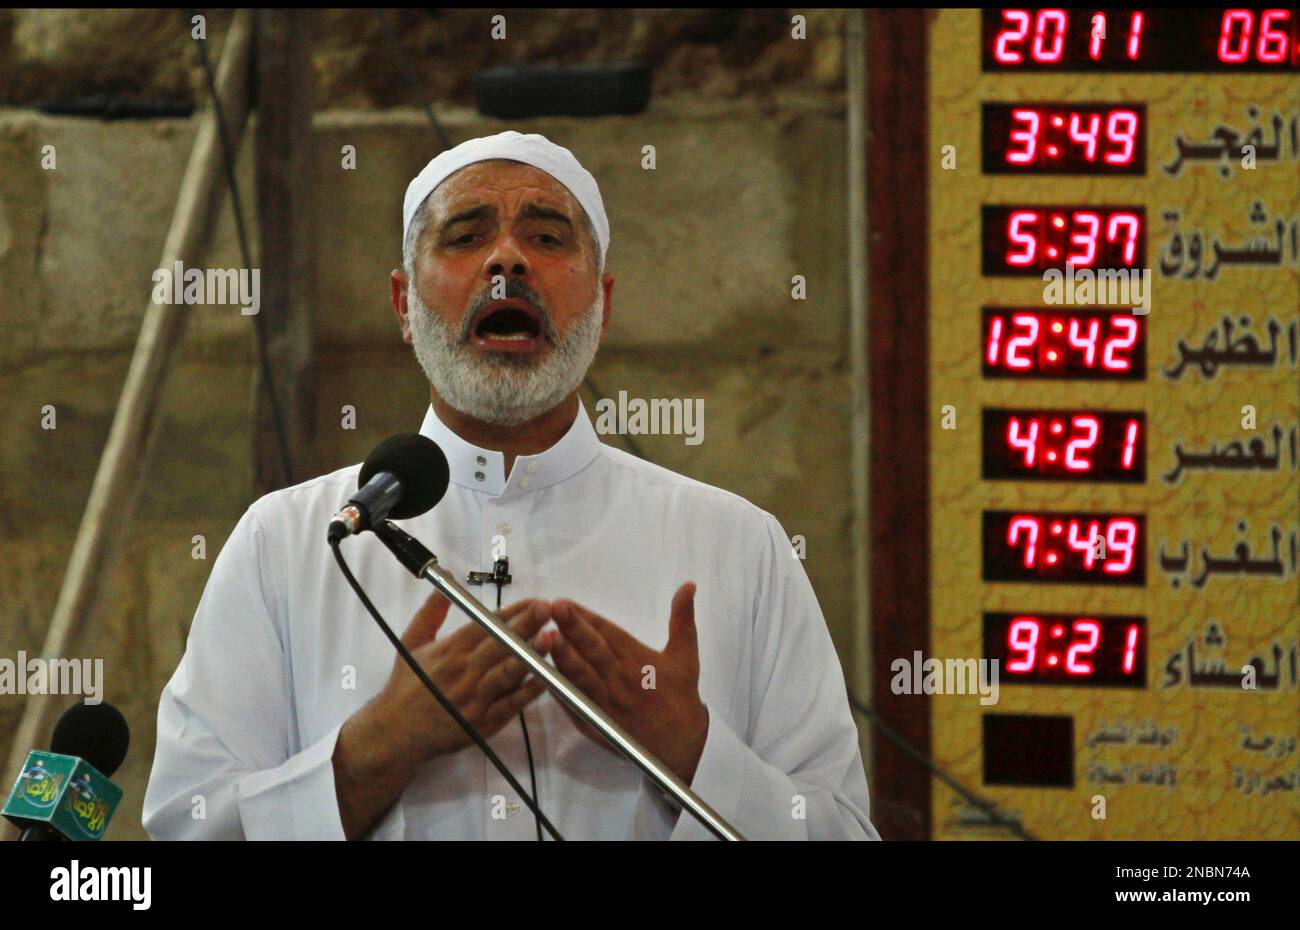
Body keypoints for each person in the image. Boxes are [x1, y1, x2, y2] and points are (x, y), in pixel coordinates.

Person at [143, 130, 880, 840]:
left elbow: (842, 832)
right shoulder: (292, 541)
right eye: (465, 236)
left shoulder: (736, 545)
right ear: (404, 305)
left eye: (548, 238)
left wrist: (690, 749)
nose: (507, 260)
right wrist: (378, 747)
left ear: (603, 300)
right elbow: (189, 826)